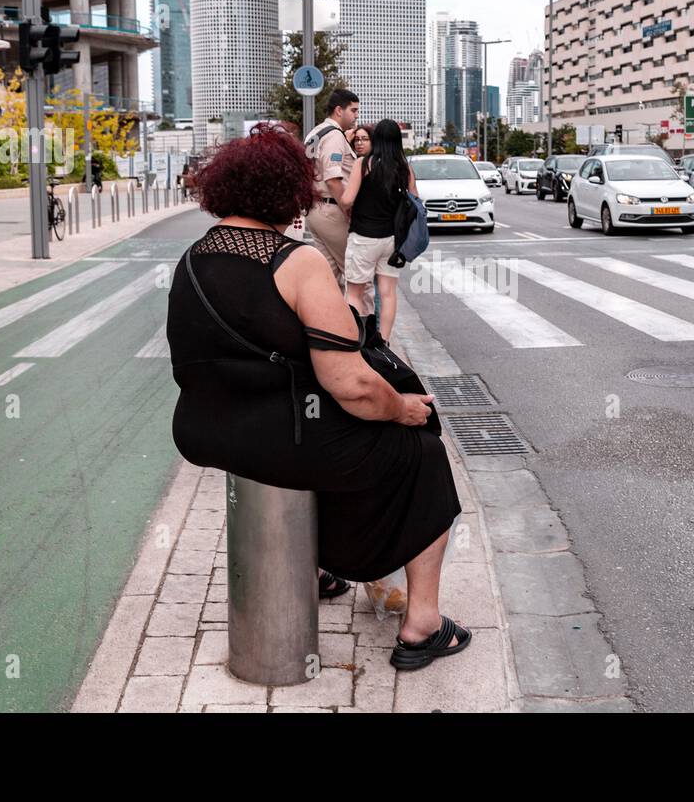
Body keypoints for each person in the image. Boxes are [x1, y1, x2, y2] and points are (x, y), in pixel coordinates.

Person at [167, 125, 469, 670]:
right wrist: (401, 409)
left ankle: (323, 565)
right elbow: (350, 384)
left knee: (337, 444)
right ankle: (423, 624)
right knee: (420, 452)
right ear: (286, 194)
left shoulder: (191, 259)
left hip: (205, 431)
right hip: (284, 437)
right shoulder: (296, 261)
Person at [341, 119, 417, 342]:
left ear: (377, 140)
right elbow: (415, 202)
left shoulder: (364, 164)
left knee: (354, 293)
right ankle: (384, 343)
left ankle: (354, 340)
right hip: (391, 241)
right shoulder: (405, 169)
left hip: (363, 237)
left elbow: (346, 200)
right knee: (388, 294)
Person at [303, 89, 361, 287]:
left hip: (315, 208)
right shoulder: (334, 136)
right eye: (353, 110)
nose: (356, 116)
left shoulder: (315, 132)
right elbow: (333, 179)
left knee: (329, 276)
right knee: (356, 275)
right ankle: (360, 318)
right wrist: (348, 209)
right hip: (332, 210)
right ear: (339, 110)